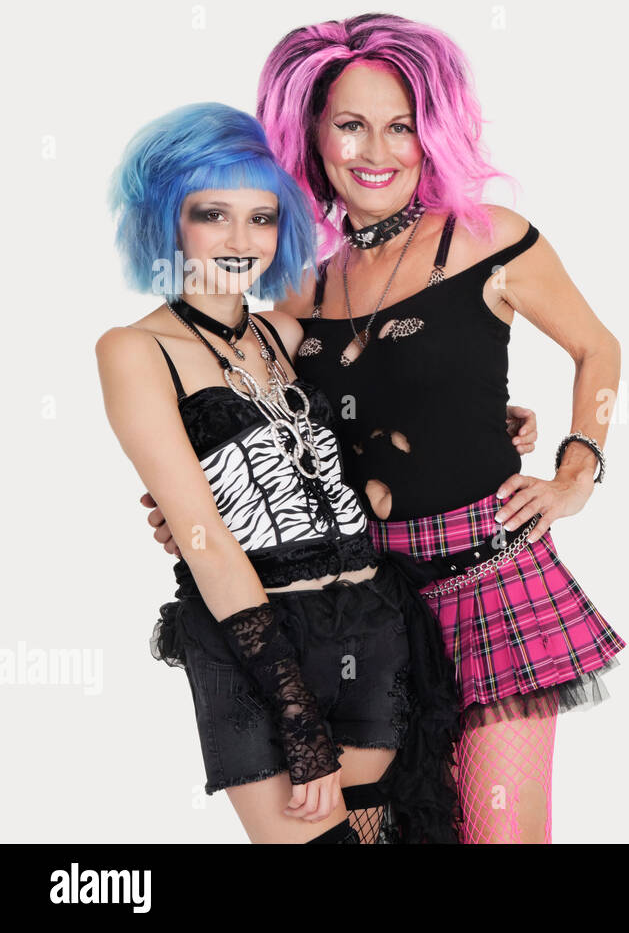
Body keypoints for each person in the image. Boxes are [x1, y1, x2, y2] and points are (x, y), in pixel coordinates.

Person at [146, 13, 628, 843]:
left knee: (502, 834)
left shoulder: (490, 241)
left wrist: (578, 466)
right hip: (361, 599)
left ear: (430, 133)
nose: (377, 150)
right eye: (351, 125)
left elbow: (598, 346)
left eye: (400, 125)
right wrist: (194, 504)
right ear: (315, 137)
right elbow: (274, 425)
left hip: (489, 578)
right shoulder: (303, 288)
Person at [98, 102, 461, 843]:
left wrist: (505, 420)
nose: (240, 240)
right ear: (168, 221)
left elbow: (395, 415)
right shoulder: (134, 351)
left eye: (261, 218)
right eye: (213, 215)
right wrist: (299, 719)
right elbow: (207, 544)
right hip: (254, 644)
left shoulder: (286, 333)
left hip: (371, 627)